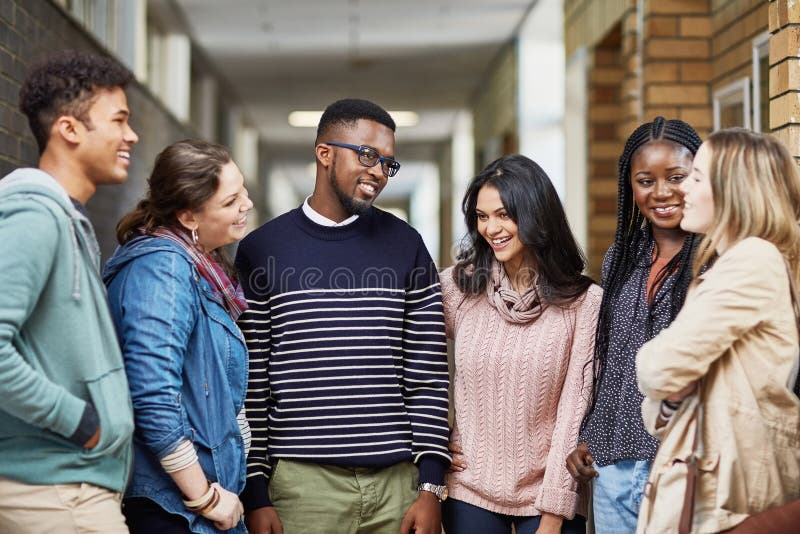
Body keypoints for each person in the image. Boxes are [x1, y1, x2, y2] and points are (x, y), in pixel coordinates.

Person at [237, 98, 451, 534]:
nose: (378, 171)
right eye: (367, 155)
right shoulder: (263, 249)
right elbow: (251, 382)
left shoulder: (406, 244)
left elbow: (428, 373)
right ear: (324, 153)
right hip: (301, 487)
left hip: (398, 485)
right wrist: (256, 492)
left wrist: (430, 487)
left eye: (388, 163)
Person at [634, 129, 800, 533]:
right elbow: (656, 408)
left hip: (727, 500)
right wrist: (670, 391)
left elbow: (655, 370)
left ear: (733, 190)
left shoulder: (752, 260)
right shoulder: (734, 262)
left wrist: (666, 379)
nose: (682, 190)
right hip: (713, 489)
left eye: (696, 177)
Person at [0, 51, 138, 533]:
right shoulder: (35, 217)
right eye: (118, 120)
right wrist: (81, 422)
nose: (131, 135)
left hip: (69, 485)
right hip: (55, 492)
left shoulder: (64, 220)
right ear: (70, 129)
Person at [440, 155, 601, 534]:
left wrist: (553, 514)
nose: (490, 229)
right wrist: (433, 444)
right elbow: (404, 355)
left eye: (503, 215)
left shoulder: (584, 303)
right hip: (469, 488)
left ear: (535, 215)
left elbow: (574, 409)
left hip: (549, 491)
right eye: (481, 217)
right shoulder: (460, 288)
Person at [103, 140, 253, 533]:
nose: (247, 205)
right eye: (231, 200)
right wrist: (204, 496)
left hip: (197, 501)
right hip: (177, 509)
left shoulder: (198, 263)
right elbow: (152, 395)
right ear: (189, 215)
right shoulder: (164, 268)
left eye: (244, 191)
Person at [564, 118, 702, 533]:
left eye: (675, 177)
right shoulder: (622, 258)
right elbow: (614, 361)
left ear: (699, 178)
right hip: (613, 466)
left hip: (683, 465)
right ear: (630, 186)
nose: (661, 192)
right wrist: (591, 433)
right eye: (646, 180)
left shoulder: (717, 256)